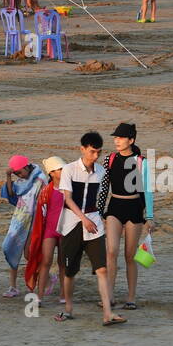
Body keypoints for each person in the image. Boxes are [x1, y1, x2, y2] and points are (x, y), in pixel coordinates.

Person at [56, 132, 123, 325]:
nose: (95, 156)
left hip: (94, 225)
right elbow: (67, 199)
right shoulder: (69, 170)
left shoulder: (101, 172)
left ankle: (107, 314)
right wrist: (83, 218)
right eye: (92, 151)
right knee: (70, 272)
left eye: (98, 152)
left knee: (102, 269)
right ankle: (68, 309)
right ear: (83, 149)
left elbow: (101, 200)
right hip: (71, 225)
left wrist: (98, 219)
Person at [104, 123, 154, 310]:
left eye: (120, 137)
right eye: (115, 137)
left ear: (131, 140)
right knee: (111, 252)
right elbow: (104, 188)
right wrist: (100, 212)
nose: (116, 140)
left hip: (134, 208)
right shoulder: (109, 159)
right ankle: (108, 295)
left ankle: (131, 298)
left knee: (129, 256)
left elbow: (147, 190)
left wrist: (150, 217)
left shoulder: (142, 162)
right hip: (114, 207)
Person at [0, 154, 47, 299]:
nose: (18, 175)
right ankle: (12, 287)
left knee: (29, 254)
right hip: (19, 220)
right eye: (16, 173)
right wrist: (9, 177)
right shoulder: (21, 180)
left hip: (34, 221)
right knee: (10, 248)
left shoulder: (40, 179)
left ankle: (41, 281)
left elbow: (42, 201)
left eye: (19, 172)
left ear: (27, 167)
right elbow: (12, 193)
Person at [24, 156, 67, 302]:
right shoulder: (46, 191)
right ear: (52, 173)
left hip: (64, 230)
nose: (63, 171)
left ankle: (63, 295)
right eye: (59, 169)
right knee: (46, 261)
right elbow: (39, 216)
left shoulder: (70, 189)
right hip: (49, 231)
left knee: (63, 264)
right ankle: (40, 295)